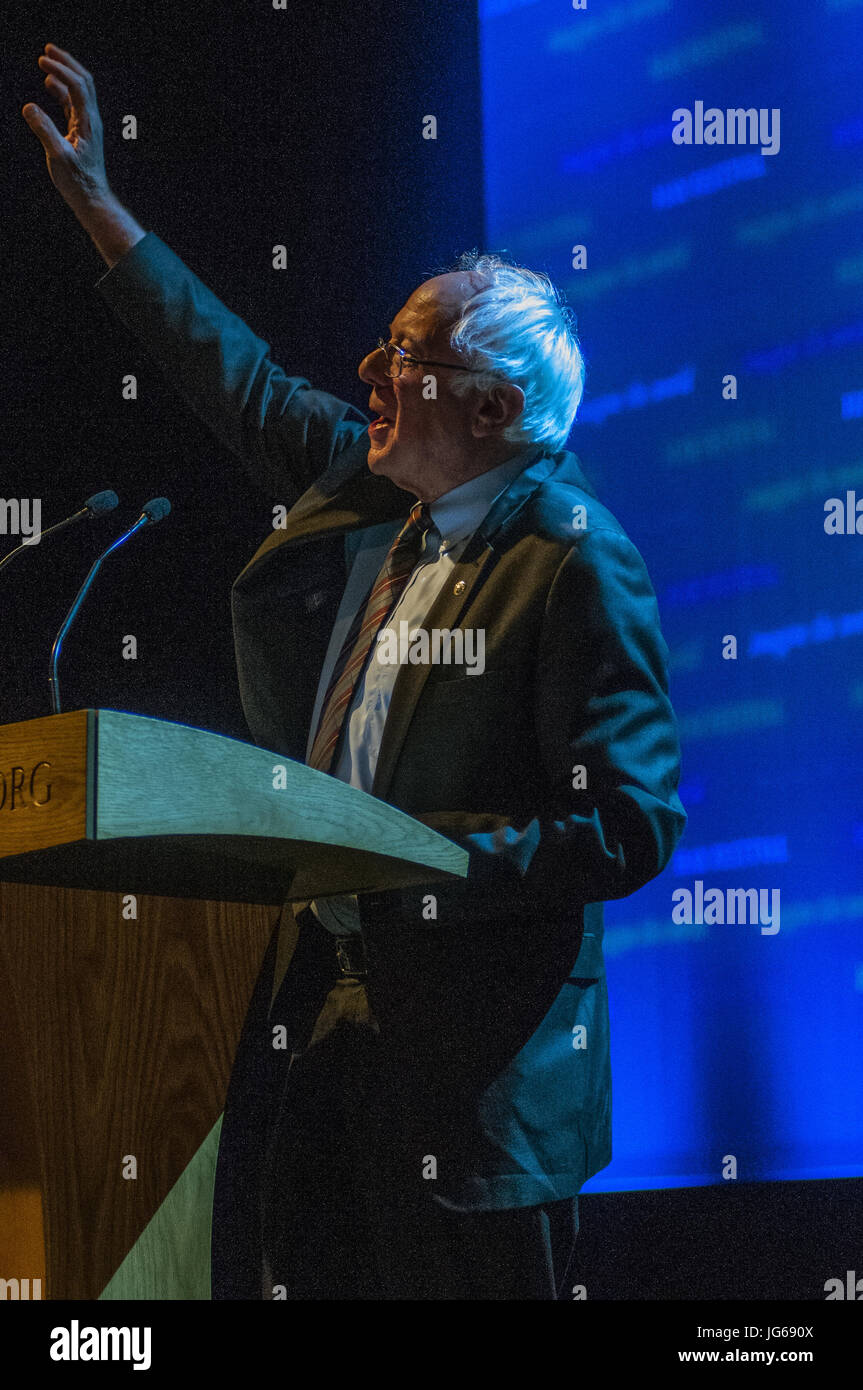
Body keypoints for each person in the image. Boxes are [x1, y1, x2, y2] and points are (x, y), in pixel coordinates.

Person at [23, 44, 687, 1300]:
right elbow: (239, 378)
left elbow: (628, 824)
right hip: (330, 1028)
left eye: (406, 355)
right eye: (382, 348)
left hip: (477, 1086)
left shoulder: (573, 560)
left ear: (492, 409)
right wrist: (101, 208)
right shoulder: (379, 502)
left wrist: (410, 859)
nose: (373, 374)